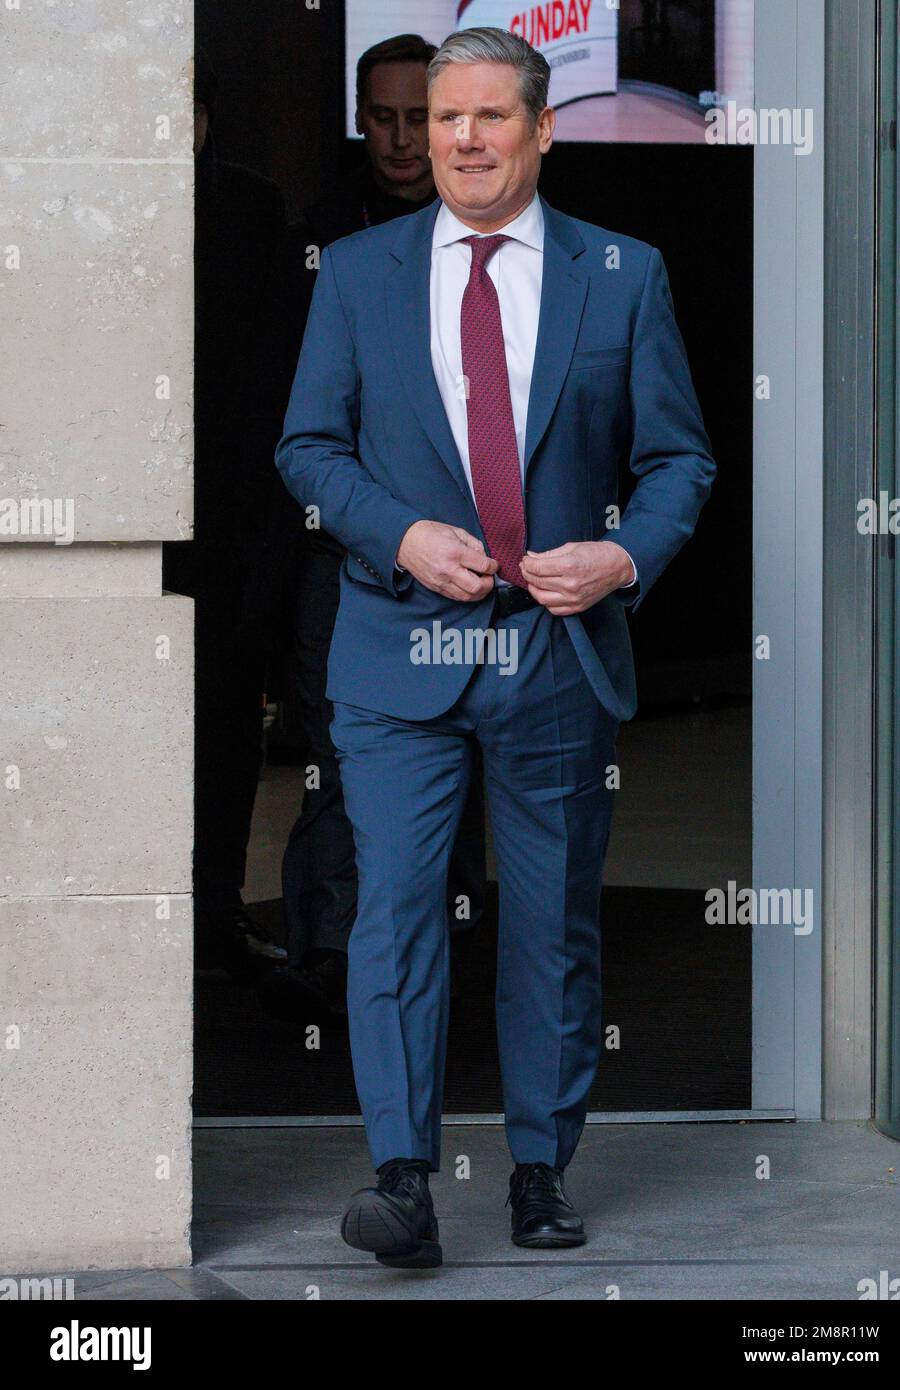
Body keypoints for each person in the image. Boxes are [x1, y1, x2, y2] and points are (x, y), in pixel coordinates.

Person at [275, 26, 715, 1267]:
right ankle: (402, 1180)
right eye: (440, 118)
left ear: (541, 129)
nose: (459, 139)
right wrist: (401, 533)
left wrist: (621, 556)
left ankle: (538, 1170)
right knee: (397, 910)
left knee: (550, 921)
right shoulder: (356, 272)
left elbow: (678, 456)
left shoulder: (621, 272)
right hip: (396, 649)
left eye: (487, 118)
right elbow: (308, 447)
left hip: (551, 655)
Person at [260, 35, 486, 1022]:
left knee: (471, 755)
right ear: (361, 118)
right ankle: (330, 959)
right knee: (338, 760)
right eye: (383, 118)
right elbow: (289, 424)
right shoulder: (316, 240)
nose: (400, 139)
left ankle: (449, 960)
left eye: (418, 116)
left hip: (477, 554)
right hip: (337, 547)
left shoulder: (497, 237)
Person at [164, 49, 289, 982]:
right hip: (105, 522)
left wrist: (263, 529)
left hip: (225, 518)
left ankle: (213, 915)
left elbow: (271, 377)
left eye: (189, 111)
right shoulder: (71, 205)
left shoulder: (249, 210)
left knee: (221, 730)